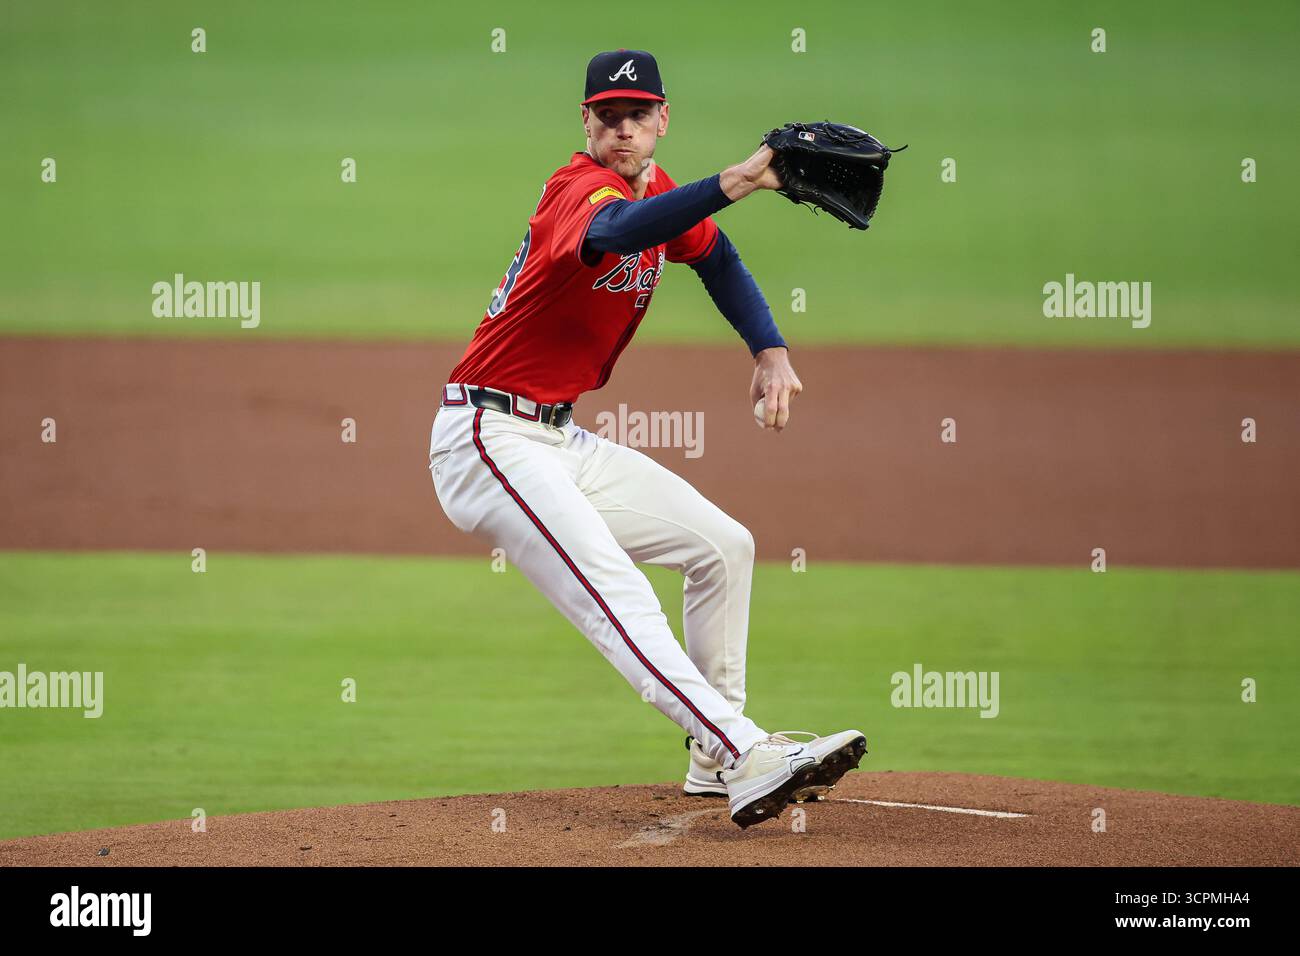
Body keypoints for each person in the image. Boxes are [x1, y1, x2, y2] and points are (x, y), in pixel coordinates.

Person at [428, 49, 864, 828]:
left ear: (664, 119)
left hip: (556, 440)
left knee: (722, 545)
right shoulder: (577, 192)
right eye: (607, 116)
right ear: (586, 123)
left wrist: (768, 348)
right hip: (486, 438)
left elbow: (715, 255)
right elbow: (624, 231)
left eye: (638, 115)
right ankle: (746, 749)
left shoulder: (658, 187)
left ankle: (714, 761)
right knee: (615, 593)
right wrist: (735, 181)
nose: (623, 129)